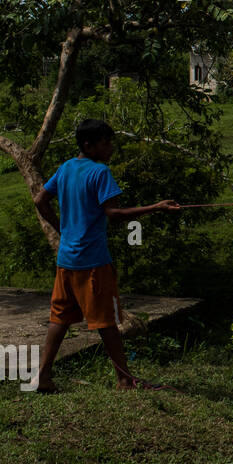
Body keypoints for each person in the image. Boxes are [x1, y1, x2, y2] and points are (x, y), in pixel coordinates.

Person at [32, 119, 179, 392]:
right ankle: (124, 380)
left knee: (59, 319)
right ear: (89, 145)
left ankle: (43, 376)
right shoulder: (100, 172)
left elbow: (40, 200)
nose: (110, 148)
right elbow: (114, 215)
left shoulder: (66, 168)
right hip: (93, 263)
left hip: (66, 261)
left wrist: (61, 229)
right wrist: (156, 207)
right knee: (108, 322)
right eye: (105, 143)